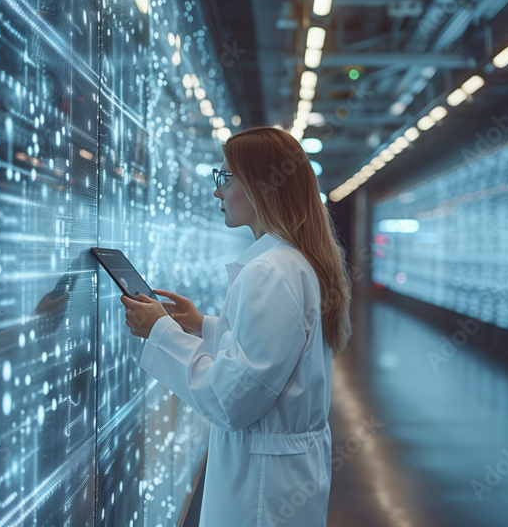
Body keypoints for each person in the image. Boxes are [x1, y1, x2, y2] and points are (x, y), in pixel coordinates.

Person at [121, 126, 352, 527]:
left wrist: (160, 332)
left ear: (262, 185)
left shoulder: (268, 271)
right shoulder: (290, 262)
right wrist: (204, 327)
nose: (217, 192)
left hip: (262, 489)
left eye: (225, 179)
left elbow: (232, 399)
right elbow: (273, 354)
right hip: (279, 476)